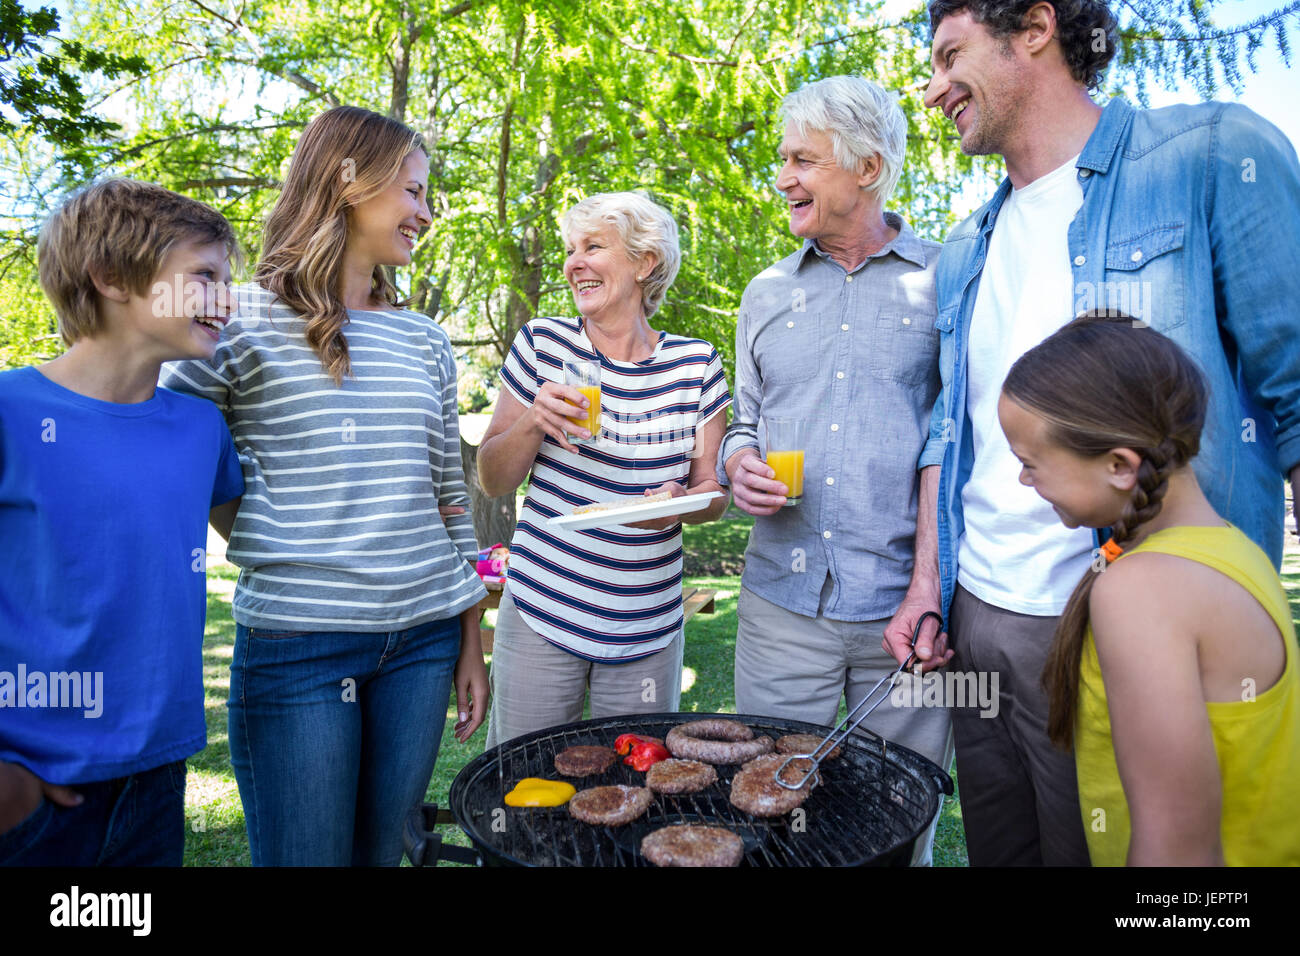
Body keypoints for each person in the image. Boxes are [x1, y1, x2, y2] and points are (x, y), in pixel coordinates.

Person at [899, 0, 1300, 865]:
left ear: (1034, 27)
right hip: (980, 621)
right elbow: (950, 430)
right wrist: (929, 587)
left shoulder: (1209, 154)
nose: (932, 90)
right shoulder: (966, 247)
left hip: (1126, 623)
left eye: (949, 56)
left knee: (1142, 852)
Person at [162, 106, 489, 866]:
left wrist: (470, 632)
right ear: (350, 183)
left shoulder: (425, 340)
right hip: (299, 645)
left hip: (422, 645)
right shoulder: (236, 319)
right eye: (412, 191)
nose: (425, 212)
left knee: (384, 855)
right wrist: (268, 538)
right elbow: (176, 447)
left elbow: (450, 496)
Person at [716, 75, 954, 866]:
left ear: (867, 166)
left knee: (897, 826)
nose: (783, 177)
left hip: (906, 614)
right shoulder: (765, 291)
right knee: (777, 823)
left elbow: (958, 440)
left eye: (803, 160)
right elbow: (741, 419)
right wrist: (739, 459)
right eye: (784, 159)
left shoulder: (947, 281)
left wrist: (930, 587)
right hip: (784, 606)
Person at [0, 179, 244, 865]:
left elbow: (256, 537)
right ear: (110, 277)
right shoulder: (10, 413)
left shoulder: (201, 428)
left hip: (158, 779)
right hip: (30, 791)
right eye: (204, 276)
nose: (228, 299)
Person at [998, 313, 1300, 865]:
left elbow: (1177, 848)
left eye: (1030, 464)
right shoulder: (1235, 550)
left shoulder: (1140, 592)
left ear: (1118, 466)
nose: (1025, 481)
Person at [478, 192, 730, 748]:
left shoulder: (696, 363)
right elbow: (493, 478)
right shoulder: (544, 343)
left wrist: (676, 502)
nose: (574, 263)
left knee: (633, 796)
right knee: (523, 788)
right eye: (570, 250)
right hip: (544, 609)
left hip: (648, 627)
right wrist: (532, 422)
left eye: (593, 247)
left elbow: (714, 491)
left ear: (645, 262)